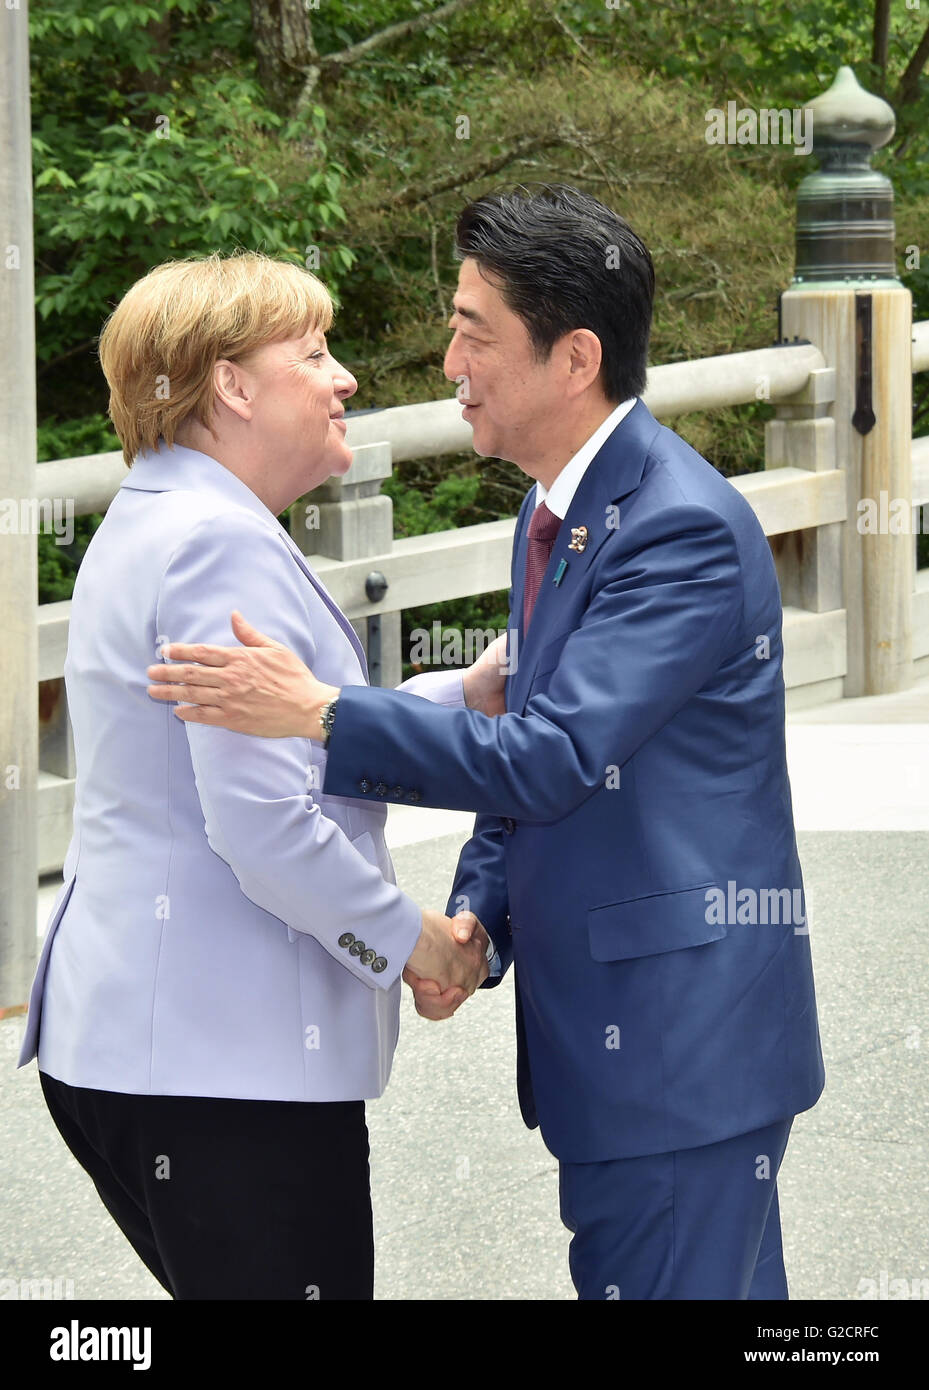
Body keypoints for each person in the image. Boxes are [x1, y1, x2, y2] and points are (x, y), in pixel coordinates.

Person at [147, 187, 827, 1300]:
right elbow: (527, 744)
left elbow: (554, 757)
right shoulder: (549, 511)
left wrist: (319, 710)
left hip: (677, 1053)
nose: (446, 357)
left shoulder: (677, 529)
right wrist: (478, 917)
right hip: (637, 1056)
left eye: (473, 330)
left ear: (573, 358)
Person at [17, 251, 496, 1301]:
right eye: (314, 353)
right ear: (231, 384)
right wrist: (412, 939)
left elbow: (297, 739)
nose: (345, 380)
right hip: (218, 1067)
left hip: (149, 1051)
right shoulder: (215, 545)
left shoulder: (158, 516)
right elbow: (262, 821)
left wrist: (465, 693)